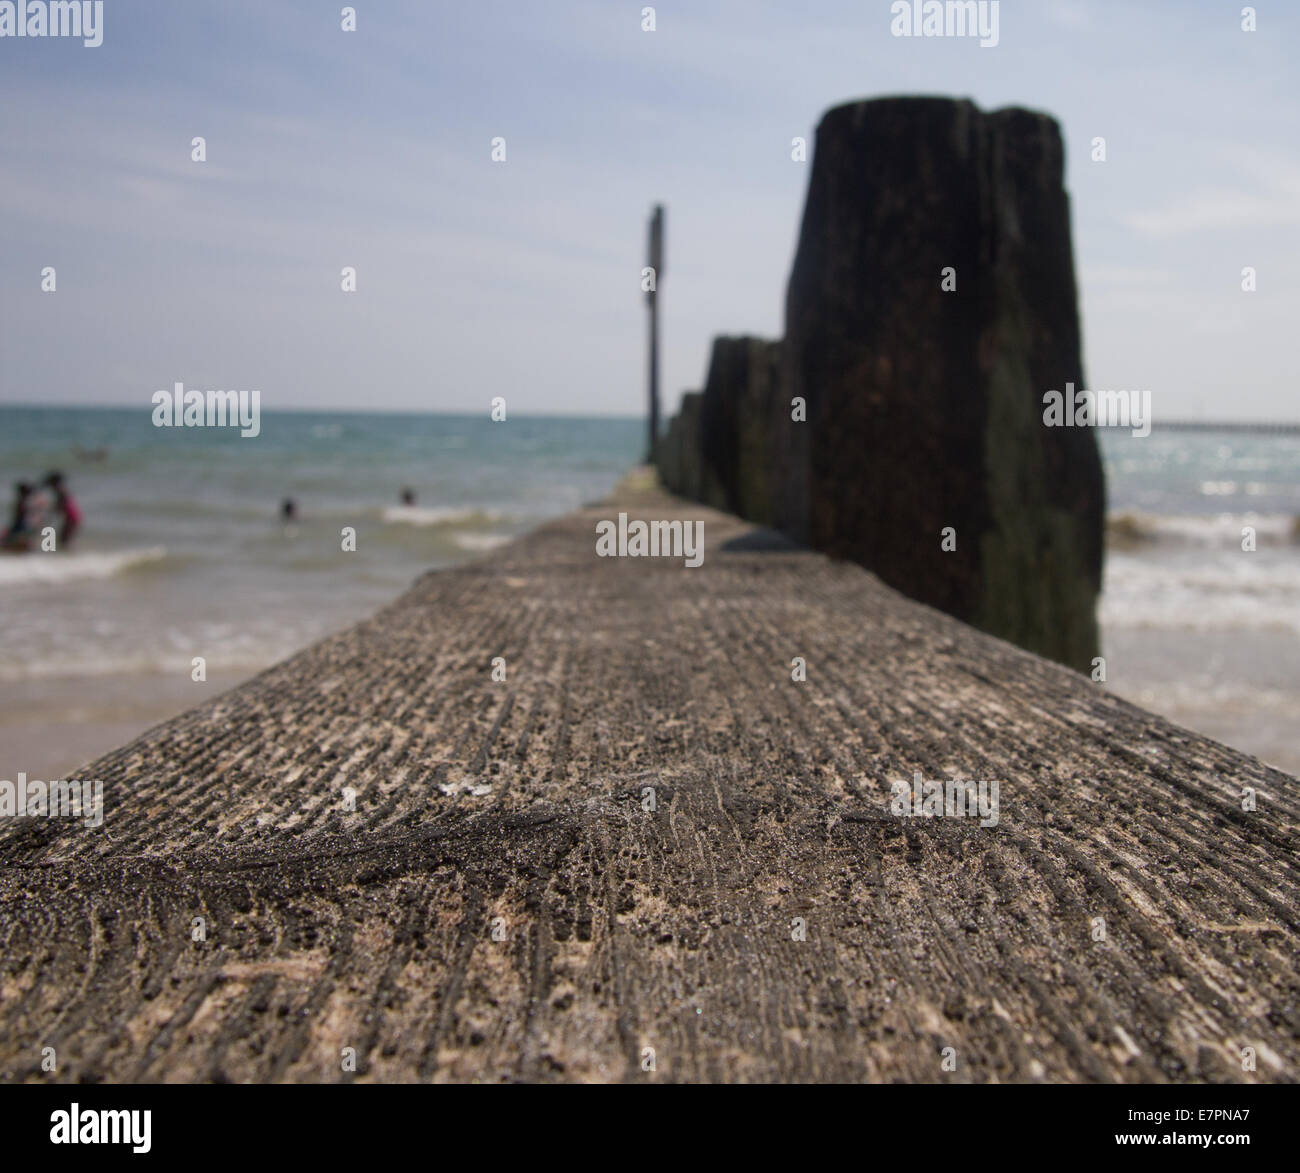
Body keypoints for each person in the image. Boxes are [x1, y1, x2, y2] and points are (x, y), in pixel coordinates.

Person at [44, 471, 82, 547]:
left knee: (63, 540)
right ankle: (67, 555)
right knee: (64, 539)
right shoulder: (61, 490)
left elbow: (61, 505)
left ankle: (68, 555)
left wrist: (50, 511)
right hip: (73, 516)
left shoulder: (60, 491)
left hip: (71, 517)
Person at [2, 482, 35, 551]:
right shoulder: (23, 502)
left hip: (20, 522)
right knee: (17, 538)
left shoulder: (21, 501)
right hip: (21, 523)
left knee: (12, 538)